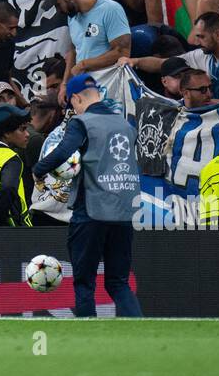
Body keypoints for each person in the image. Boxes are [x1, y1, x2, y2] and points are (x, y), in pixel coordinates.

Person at [33, 74, 143, 318]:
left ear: (75, 98)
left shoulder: (82, 122)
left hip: (91, 211)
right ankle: (140, 331)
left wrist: (38, 170)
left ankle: (88, 336)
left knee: (85, 283)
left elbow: (64, 151)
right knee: (118, 282)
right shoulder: (125, 125)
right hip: (123, 212)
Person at [46, 0, 132, 95]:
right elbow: (75, 50)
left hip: (111, 87)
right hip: (85, 88)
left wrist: (84, 65)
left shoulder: (110, 9)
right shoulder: (72, 17)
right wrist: (65, 84)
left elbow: (122, 52)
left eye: (58, 4)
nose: (58, 10)